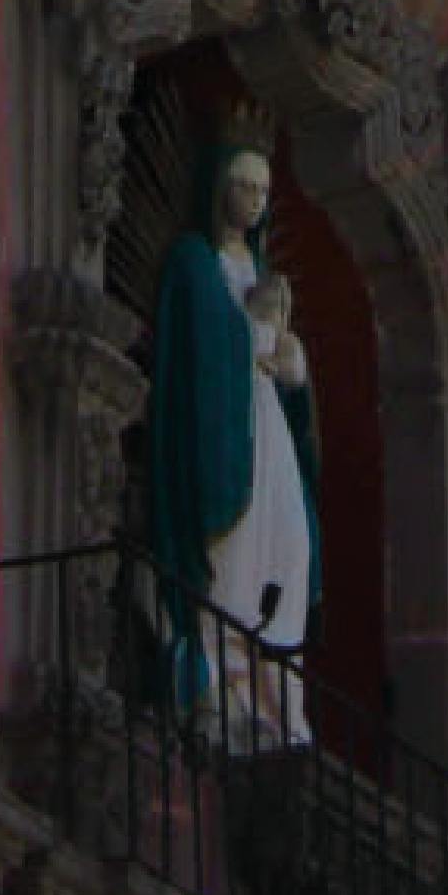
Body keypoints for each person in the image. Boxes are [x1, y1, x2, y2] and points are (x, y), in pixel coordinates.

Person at [145, 129, 320, 738]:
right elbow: (201, 341)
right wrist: (253, 333)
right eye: (244, 186)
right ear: (219, 187)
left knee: (290, 547)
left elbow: (288, 369)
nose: (254, 199)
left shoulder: (266, 270)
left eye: (263, 190)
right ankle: (223, 682)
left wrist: (294, 366)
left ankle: (279, 696)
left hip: (267, 427)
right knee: (235, 553)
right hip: (223, 436)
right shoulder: (195, 261)